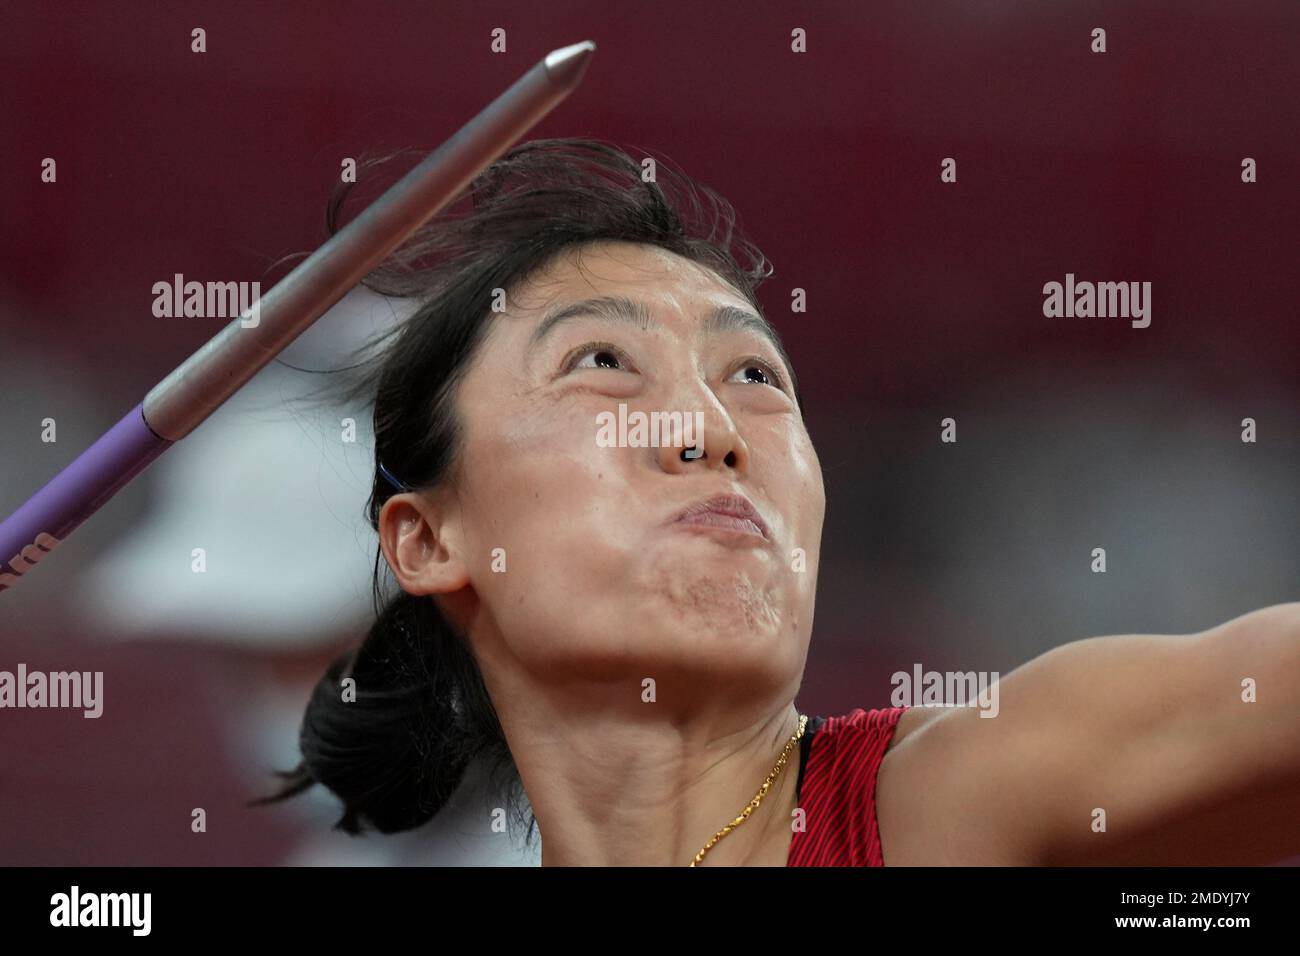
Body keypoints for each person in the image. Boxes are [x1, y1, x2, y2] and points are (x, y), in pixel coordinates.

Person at [254, 137, 1300, 866]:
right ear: (430, 537)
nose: (711, 429)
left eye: (754, 375)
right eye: (605, 361)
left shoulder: (965, 798)